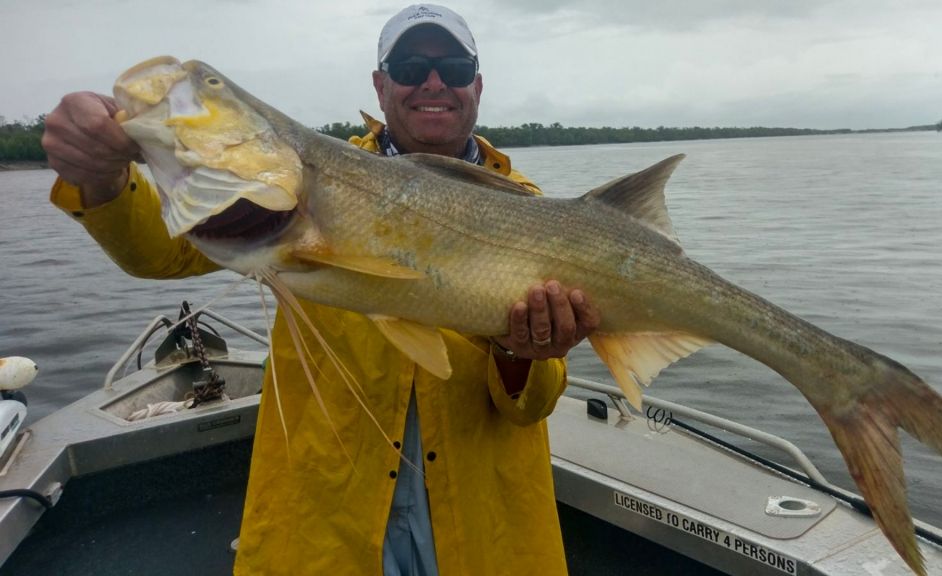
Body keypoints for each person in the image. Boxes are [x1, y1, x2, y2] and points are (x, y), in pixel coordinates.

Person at [42, 4, 598, 575]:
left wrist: (521, 352)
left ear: (476, 85)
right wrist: (101, 176)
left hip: (482, 523)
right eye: (409, 66)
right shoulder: (292, 180)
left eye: (454, 67)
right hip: (330, 513)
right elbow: (158, 251)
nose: (433, 82)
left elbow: (532, 406)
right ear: (380, 86)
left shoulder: (529, 211)